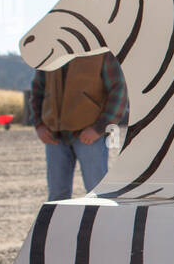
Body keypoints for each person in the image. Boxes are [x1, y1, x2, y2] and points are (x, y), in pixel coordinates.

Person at [28, 51, 128, 201]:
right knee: (57, 197)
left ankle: (103, 225)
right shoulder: (49, 53)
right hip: (54, 136)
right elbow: (37, 90)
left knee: (98, 194)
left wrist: (99, 128)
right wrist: (39, 125)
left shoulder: (101, 53)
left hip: (90, 137)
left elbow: (119, 91)